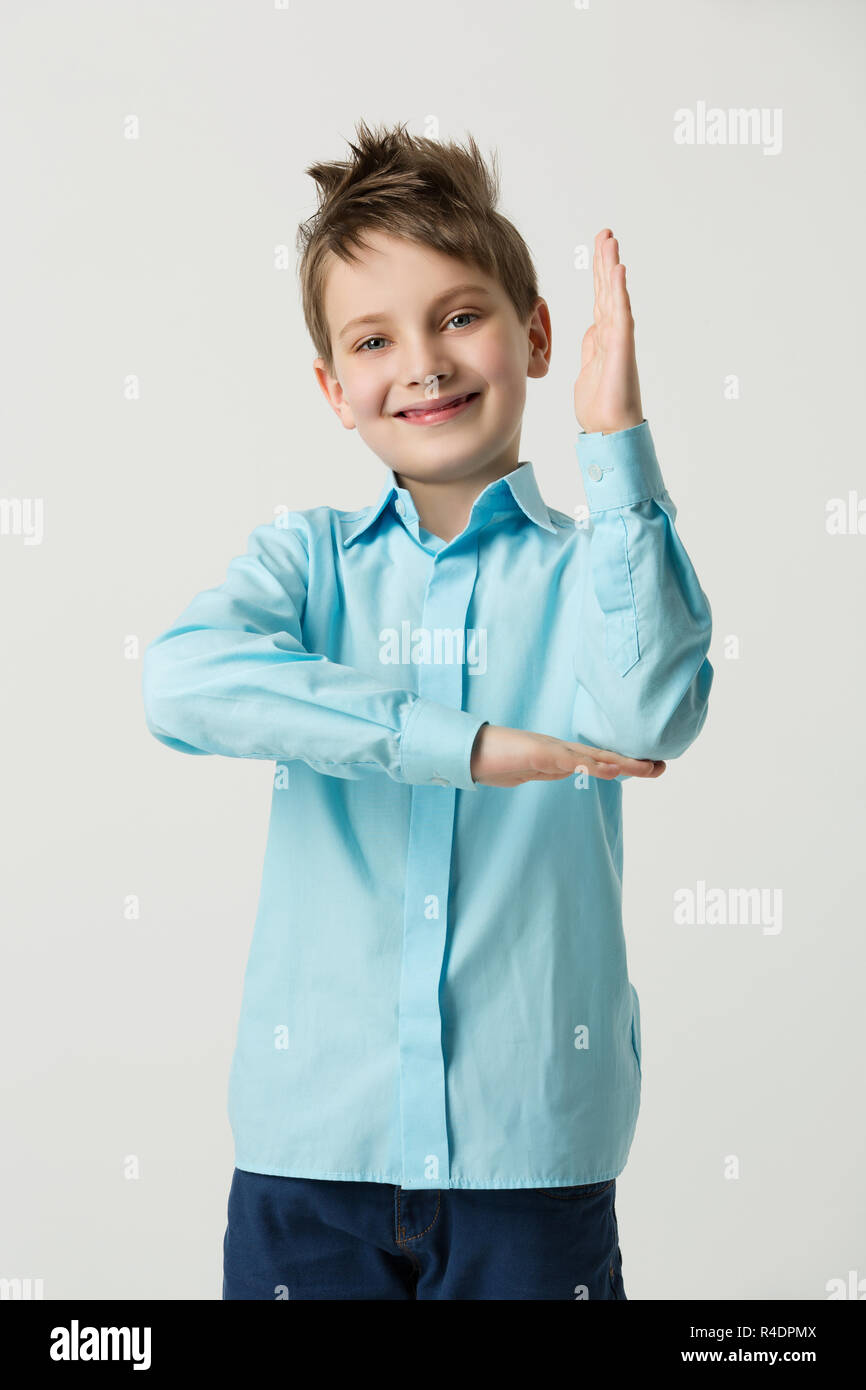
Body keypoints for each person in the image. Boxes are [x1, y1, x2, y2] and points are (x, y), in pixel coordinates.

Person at [142, 119, 713, 1300]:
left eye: (459, 315)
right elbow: (181, 680)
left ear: (534, 333)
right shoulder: (304, 567)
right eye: (373, 337)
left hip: (531, 1160)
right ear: (331, 387)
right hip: (311, 1162)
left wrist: (614, 441)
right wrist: (466, 748)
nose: (423, 362)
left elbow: (652, 709)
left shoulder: (591, 573)